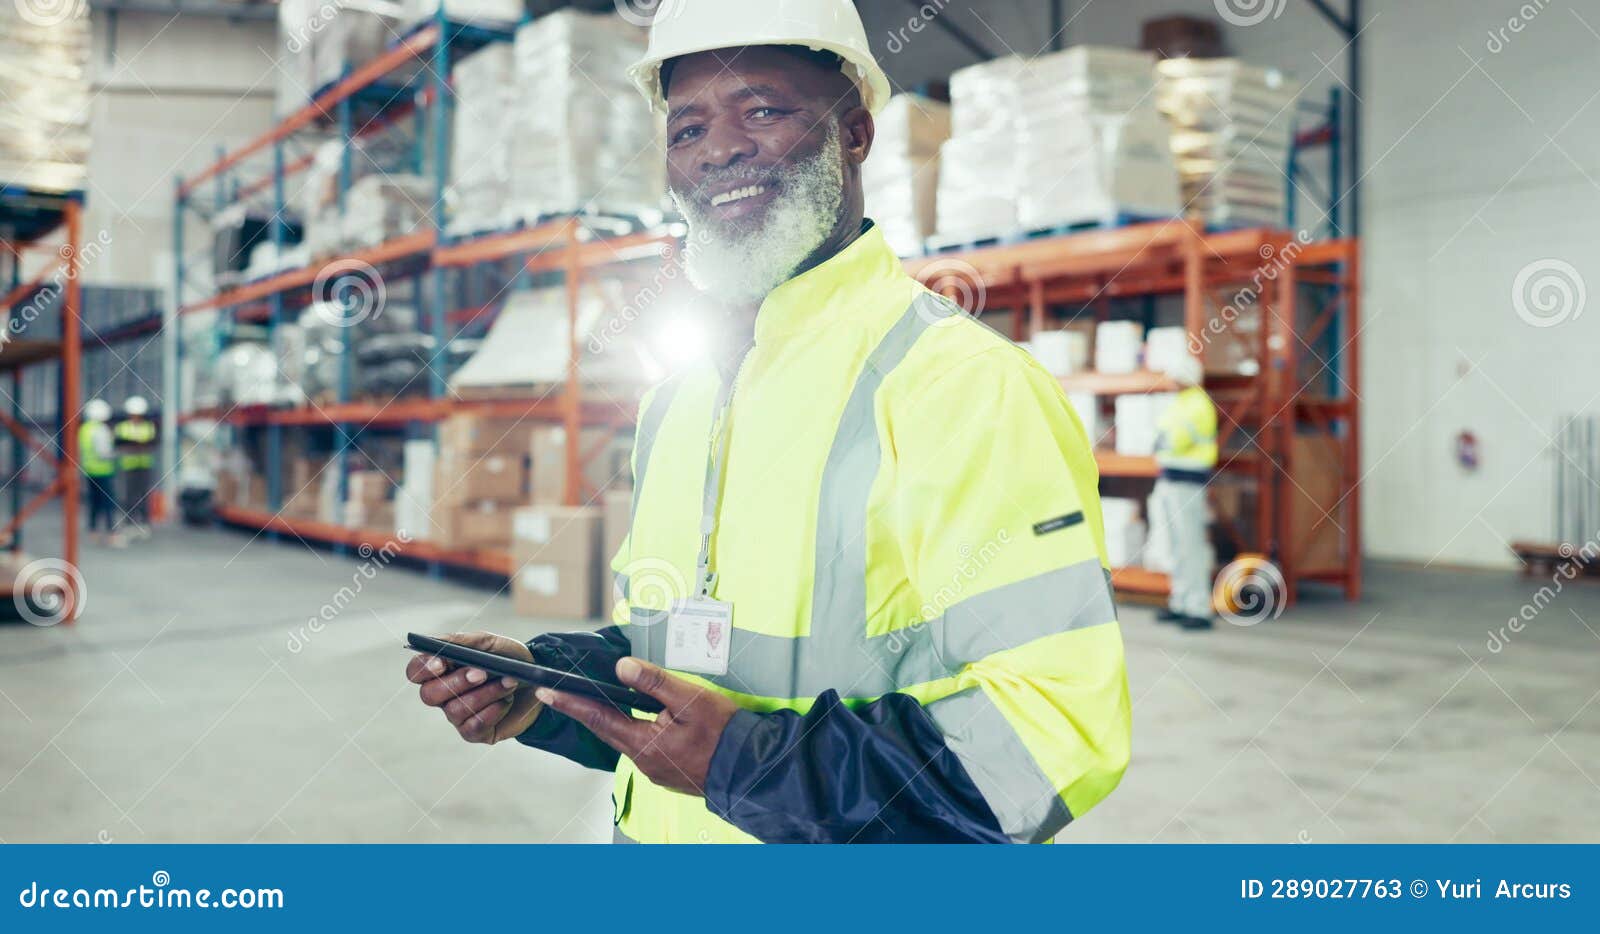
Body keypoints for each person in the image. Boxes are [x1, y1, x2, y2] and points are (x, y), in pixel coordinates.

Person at [406, 0, 1131, 844]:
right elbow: (692, 659)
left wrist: (750, 764)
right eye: (687, 130)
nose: (719, 149)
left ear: (854, 134)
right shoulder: (679, 399)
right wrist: (547, 687)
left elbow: (1051, 734)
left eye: (762, 111)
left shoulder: (961, 385)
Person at [1148, 354, 1219, 630]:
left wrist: (1159, 440)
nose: (1171, 381)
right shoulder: (1180, 402)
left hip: (1188, 483)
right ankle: (1180, 602)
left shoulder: (1199, 404)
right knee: (1176, 546)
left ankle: (1198, 608)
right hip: (1170, 479)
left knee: (1190, 546)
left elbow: (1174, 440)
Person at [80, 398, 123, 548]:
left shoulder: (84, 429)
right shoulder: (100, 429)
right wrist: (118, 453)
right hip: (104, 471)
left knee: (94, 503)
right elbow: (104, 453)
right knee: (108, 504)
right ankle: (113, 535)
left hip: (89, 471)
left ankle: (93, 532)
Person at [113, 395, 158, 538]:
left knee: (144, 495)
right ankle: (129, 523)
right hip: (129, 466)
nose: (135, 417)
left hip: (144, 465)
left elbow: (152, 444)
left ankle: (144, 523)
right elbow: (119, 444)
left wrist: (133, 445)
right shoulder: (122, 427)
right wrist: (138, 445)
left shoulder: (148, 426)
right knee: (129, 495)